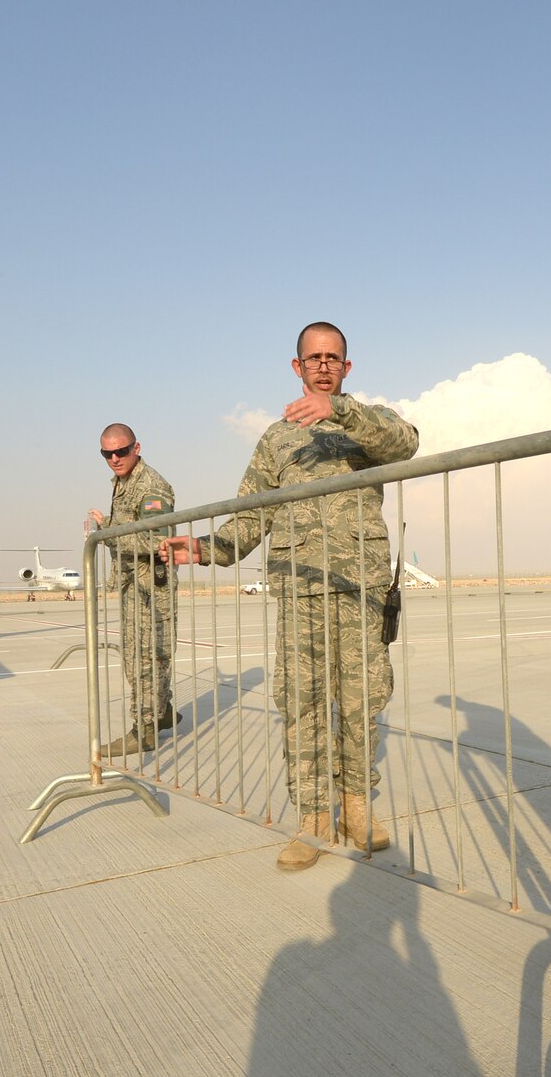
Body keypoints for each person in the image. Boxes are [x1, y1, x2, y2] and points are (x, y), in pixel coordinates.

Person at [166, 323, 419, 872]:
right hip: (299, 590)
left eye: (333, 358)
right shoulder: (276, 440)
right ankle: (312, 819)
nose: (323, 365)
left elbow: (408, 443)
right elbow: (252, 515)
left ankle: (356, 807)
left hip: (359, 591)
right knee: (301, 704)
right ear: (296, 367)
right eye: (313, 358)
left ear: (346, 368)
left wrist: (342, 413)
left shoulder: (369, 424)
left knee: (361, 702)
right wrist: (206, 549)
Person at [88, 423, 178, 758]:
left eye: (121, 451)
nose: (114, 458)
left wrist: (108, 533)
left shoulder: (151, 485)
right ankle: (162, 711)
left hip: (151, 585)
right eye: (106, 453)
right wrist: (109, 527)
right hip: (133, 584)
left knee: (145, 658)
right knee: (134, 656)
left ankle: (145, 731)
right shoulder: (123, 483)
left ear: (136, 448)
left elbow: (156, 537)